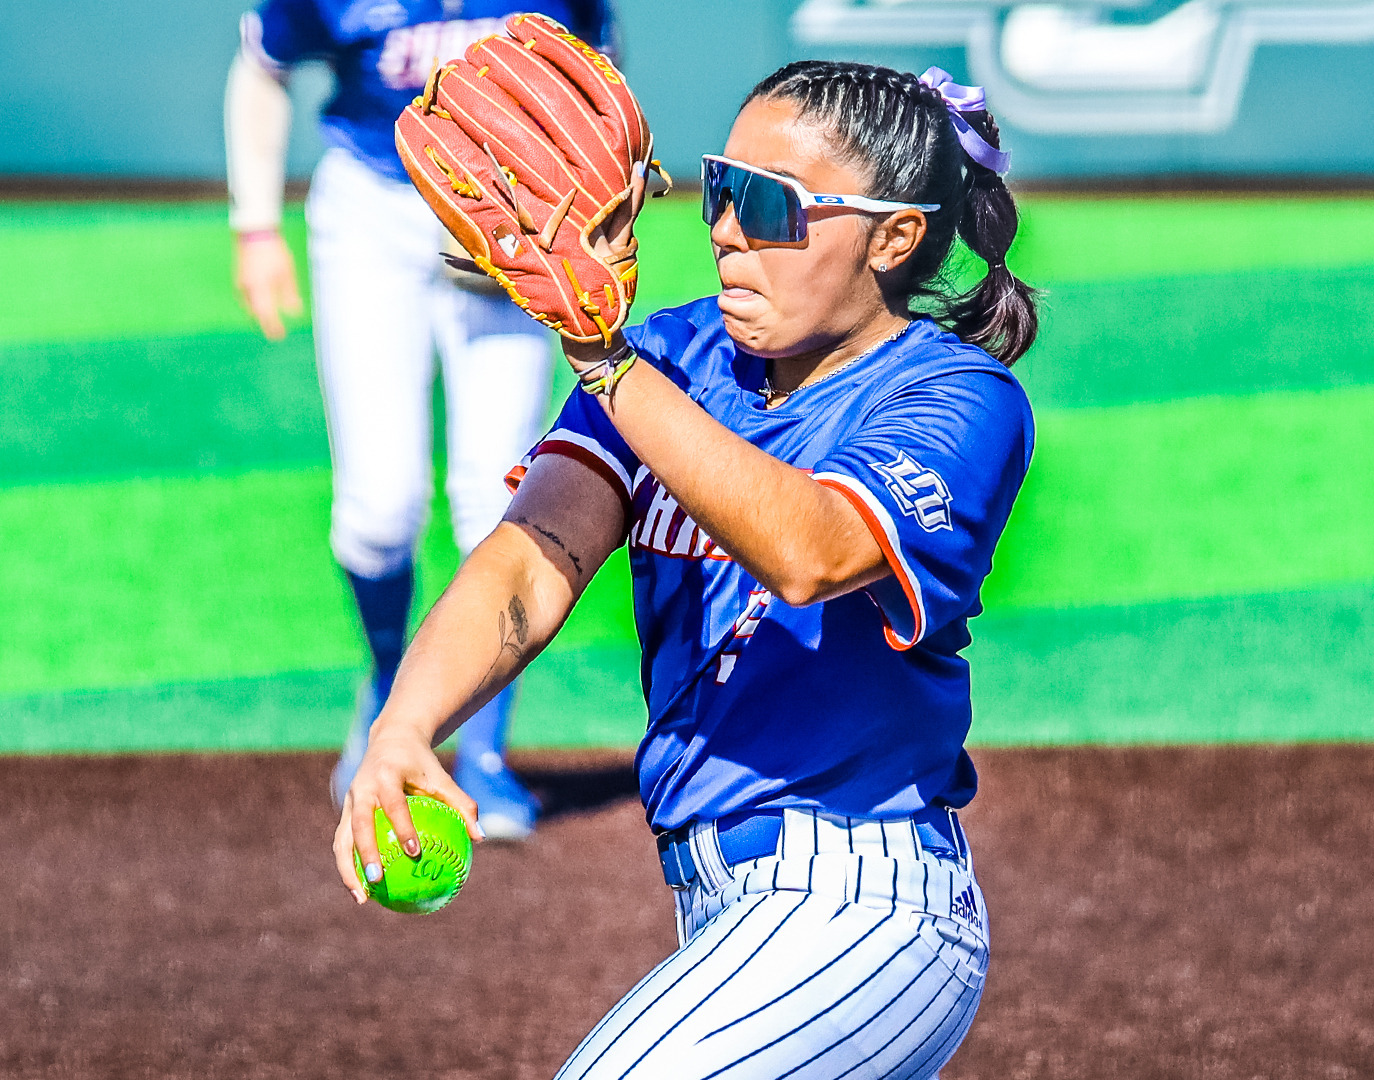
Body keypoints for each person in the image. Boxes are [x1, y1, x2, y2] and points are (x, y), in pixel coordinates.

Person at [335, 58, 1039, 1077]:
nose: (727, 230)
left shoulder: (953, 398)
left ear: (891, 238)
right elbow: (530, 563)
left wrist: (607, 365)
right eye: (720, 189)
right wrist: (405, 725)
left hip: (863, 906)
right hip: (719, 913)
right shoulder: (673, 359)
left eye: (770, 204)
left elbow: (812, 551)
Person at [223, 0, 613, 836]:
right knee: (378, 510)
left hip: (511, 213)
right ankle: (391, 682)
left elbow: (597, 76)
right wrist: (254, 226)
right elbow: (263, 67)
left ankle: (486, 755)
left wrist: (576, 212)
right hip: (374, 207)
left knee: (503, 503)